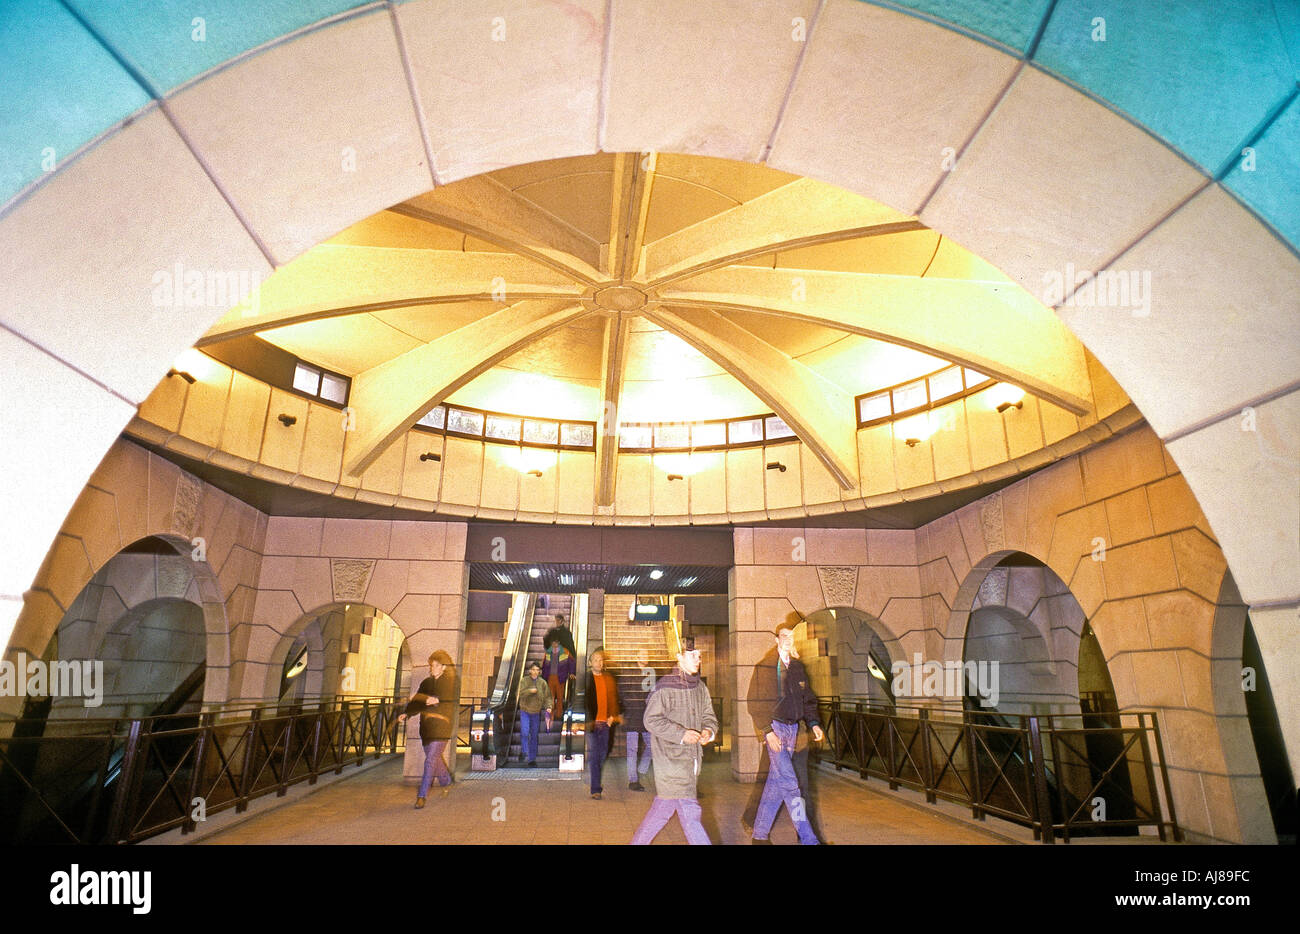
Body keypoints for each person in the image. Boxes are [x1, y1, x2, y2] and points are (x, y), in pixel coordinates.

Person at [630, 636, 717, 845]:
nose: (698, 659)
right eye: (692, 655)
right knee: (691, 813)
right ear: (679, 657)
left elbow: (709, 716)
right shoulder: (665, 687)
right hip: (671, 762)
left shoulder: (700, 687)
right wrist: (681, 734)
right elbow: (650, 720)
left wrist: (708, 731)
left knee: (662, 811)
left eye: (699, 655)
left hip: (691, 761)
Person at [747, 621, 823, 844]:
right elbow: (754, 702)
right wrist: (767, 731)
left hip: (793, 730)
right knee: (791, 786)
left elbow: (808, 699)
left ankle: (759, 836)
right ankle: (810, 840)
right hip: (776, 729)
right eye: (784, 636)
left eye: (792, 637)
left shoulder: (798, 667)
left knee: (775, 786)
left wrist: (814, 723)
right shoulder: (765, 666)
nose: (788, 640)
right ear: (776, 639)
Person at [401, 649, 458, 809]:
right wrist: (406, 714)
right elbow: (418, 700)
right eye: (431, 665)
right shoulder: (426, 683)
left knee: (430, 760)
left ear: (444, 667)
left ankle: (421, 795)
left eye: (436, 665)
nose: (432, 668)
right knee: (435, 759)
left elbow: (448, 700)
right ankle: (446, 781)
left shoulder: (451, 682)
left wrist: (437, 701)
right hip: (426, 728)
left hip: (441, 727)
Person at [583, 648, 622, 799]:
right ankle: (595, 789)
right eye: (596, 660)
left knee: (603, 753)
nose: (599, 663)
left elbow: (614, 699)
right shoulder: (586, 679)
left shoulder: (608, 678)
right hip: (593, 724)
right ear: (590, 662)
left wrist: (613, 716)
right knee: (594, 755)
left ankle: (594, 773)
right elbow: (582, 700)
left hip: (606, 724)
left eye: (601, 660)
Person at [541, 612, 577, 723]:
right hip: (551, 677)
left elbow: (571, 659)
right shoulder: (548, 652)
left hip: (561, 676)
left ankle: (559, 714)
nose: (554, 644)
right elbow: (544, 665)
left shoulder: (564, 650)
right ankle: (551, 715)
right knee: (550, 697)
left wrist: (572, 672)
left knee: (560, 696)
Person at [517, 660, 553, 767]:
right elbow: (520, 693)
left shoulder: (542, 683)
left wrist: (549, 707)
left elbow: (547, 697)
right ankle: (524, 751)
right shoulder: (524, 681)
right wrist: (530, 691)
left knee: (534, 735)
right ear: (529, 671)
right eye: (533, 670)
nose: (535, 672)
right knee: (524, 732)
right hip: (525, 711)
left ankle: (532, 759)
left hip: (536, 713)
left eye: (537, 670)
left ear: (540, 672)